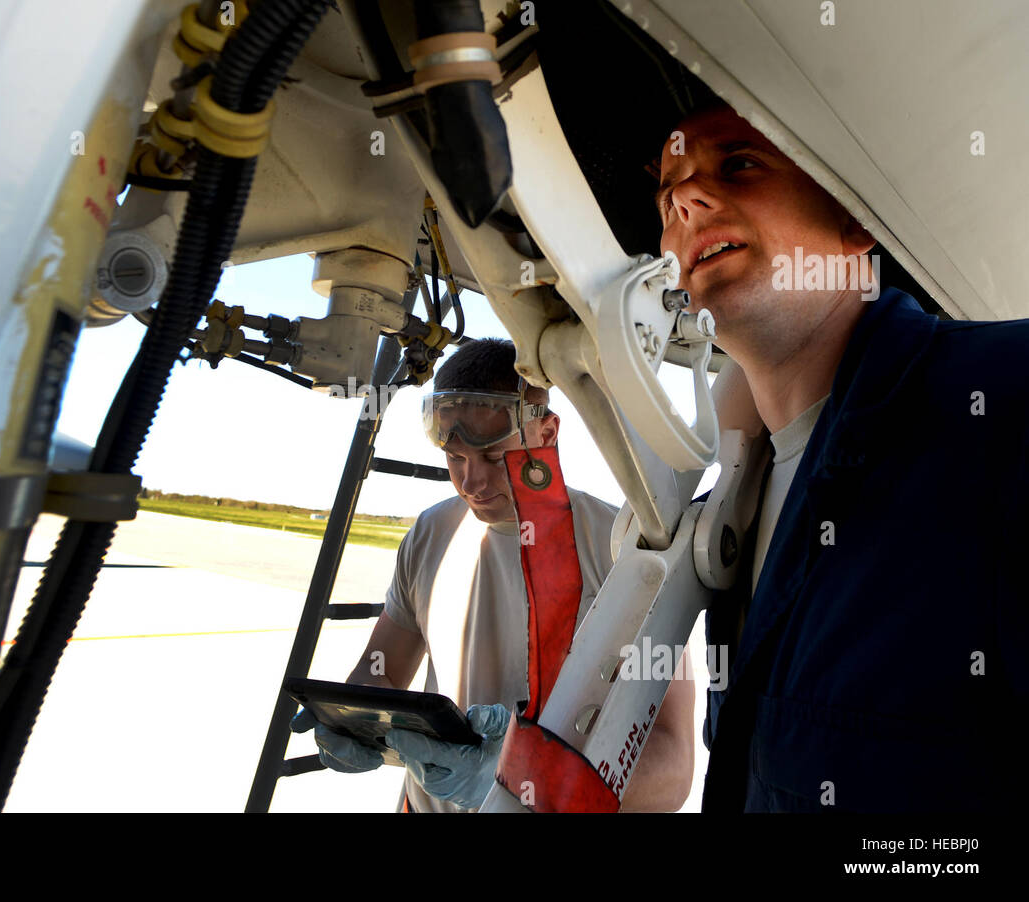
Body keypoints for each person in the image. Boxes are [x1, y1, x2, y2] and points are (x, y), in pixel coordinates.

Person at [652, 101, 1029, 810]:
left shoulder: (1009, 400)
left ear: (856, 221)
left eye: (739, 163)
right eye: (666, 192)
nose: (682, 200)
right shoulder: (725, 519)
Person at [292, 337, 696, 812]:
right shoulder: (430, 534)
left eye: (492, 456)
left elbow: (672, 767)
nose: (471, 482)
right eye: (455, 458)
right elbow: (382, 670)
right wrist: (353, 719)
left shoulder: (626, 549)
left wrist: (530, 781)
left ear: (546, 433)